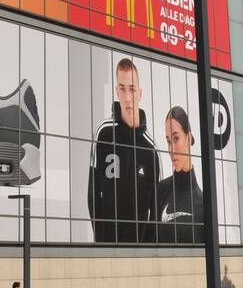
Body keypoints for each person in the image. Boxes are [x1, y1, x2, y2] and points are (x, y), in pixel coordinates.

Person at [87, 58, 159, 243]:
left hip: (141, 251)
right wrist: (102, 239)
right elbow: (92, 193)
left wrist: (148, 247)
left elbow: (155, 208)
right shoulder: (103, 134)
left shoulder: (150, 149)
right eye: (123, 88)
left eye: (132, 89)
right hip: (107, 247)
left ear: (140, 93)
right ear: (117, 91)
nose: (128, 97)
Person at [156, 106, 205, 244]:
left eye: (176, 138)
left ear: (188, 138)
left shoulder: (203, 204)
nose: (171, 149)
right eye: (168, 141)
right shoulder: (161, 191)